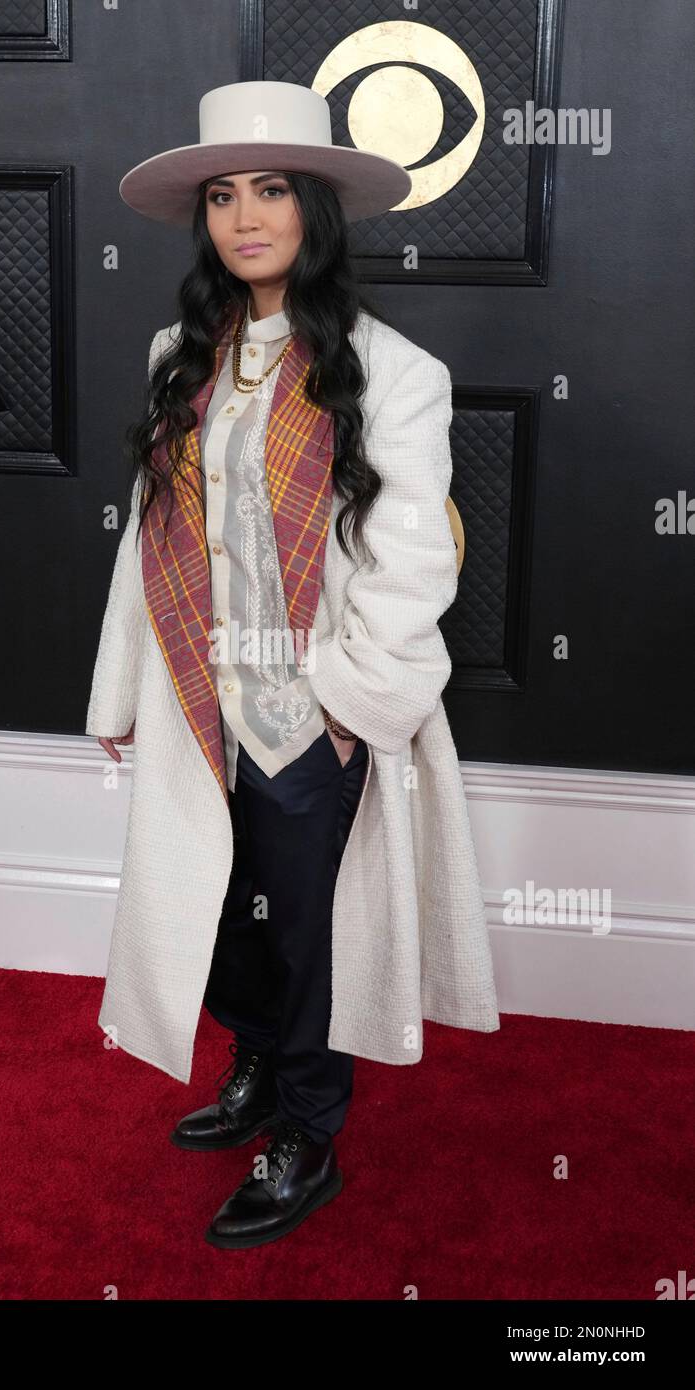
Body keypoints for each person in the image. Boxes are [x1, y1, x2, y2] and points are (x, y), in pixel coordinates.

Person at [86, 80, 500, 1250]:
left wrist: (347, 704)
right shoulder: (181, 353)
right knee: (228, 912)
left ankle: (306, 1133)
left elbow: (413, 561)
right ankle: (257, 1070)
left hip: (312, 715)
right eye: (222, 195)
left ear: (316, 207)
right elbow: (148, 536)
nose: (244, 216)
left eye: (271, 189)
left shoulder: (390, 372)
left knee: (313, 928)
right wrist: (125, 691)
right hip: (195, 699)